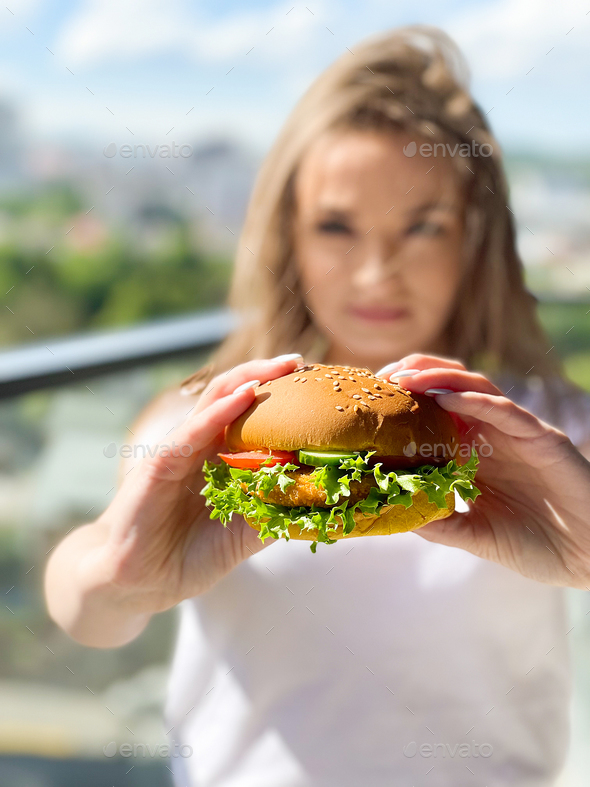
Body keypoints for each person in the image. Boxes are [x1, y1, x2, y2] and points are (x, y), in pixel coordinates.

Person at [45, 26, 590, 787]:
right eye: (337, 226)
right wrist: (115, 579)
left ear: (477, 237)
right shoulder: (210, 421)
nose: (376, 271)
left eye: (423, 226)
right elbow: (85, 608)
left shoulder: (549, 432)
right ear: (287, 235)